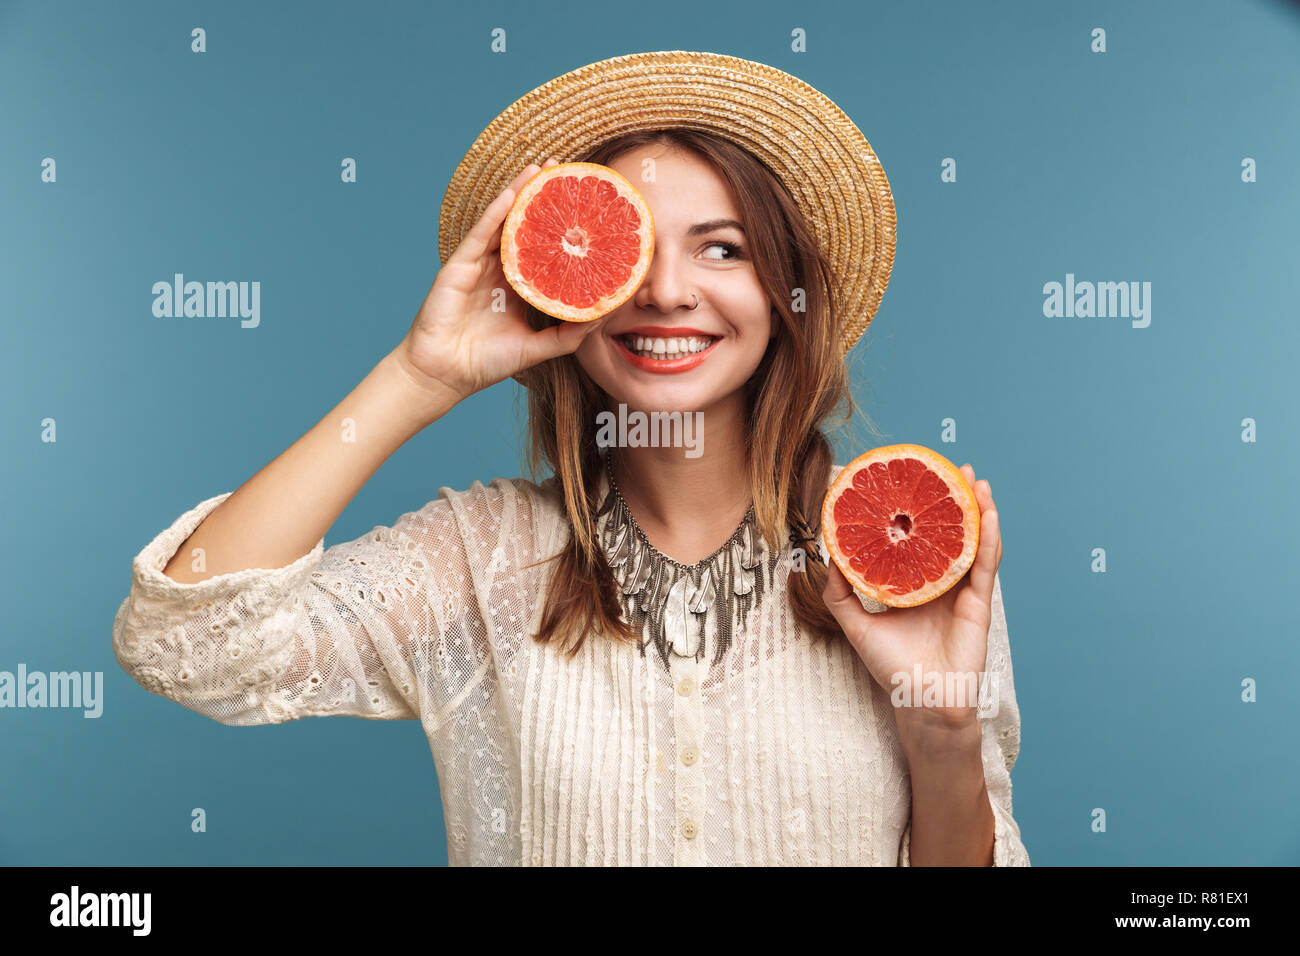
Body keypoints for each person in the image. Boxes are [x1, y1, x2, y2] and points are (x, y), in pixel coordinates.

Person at [111, 51, 1029, 866]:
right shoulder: (480, 556)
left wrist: (944, 731)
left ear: (785, 293)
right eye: (629, 254)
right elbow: (185, 646)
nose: (668, 292)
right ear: (560, 286)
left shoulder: (898, 561)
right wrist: (419, 375)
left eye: (723, 248)